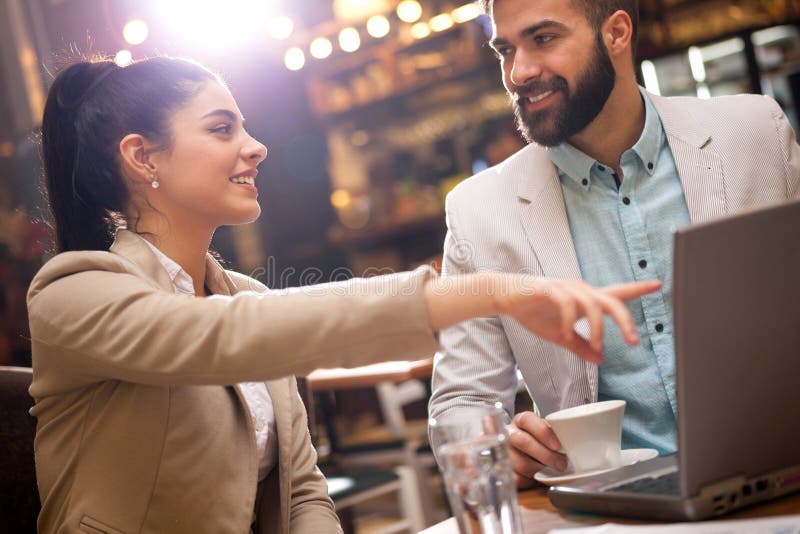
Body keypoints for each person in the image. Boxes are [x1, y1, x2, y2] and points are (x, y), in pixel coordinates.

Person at [27, 56, 659, 533]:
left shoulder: (246, 296)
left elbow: (303, 493)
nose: (256, 146)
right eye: (221, 129)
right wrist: (488, 291)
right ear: (143, 157)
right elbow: (223, 335)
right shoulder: (71, 294)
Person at [428, 0, 800, 489]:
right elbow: (461, 404)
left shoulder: (755, 134)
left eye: (543, 39)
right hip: (611, 508)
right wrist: (496, 446)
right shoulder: (479, 211)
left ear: (617, 33)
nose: (518, 73)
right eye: (505, 50)